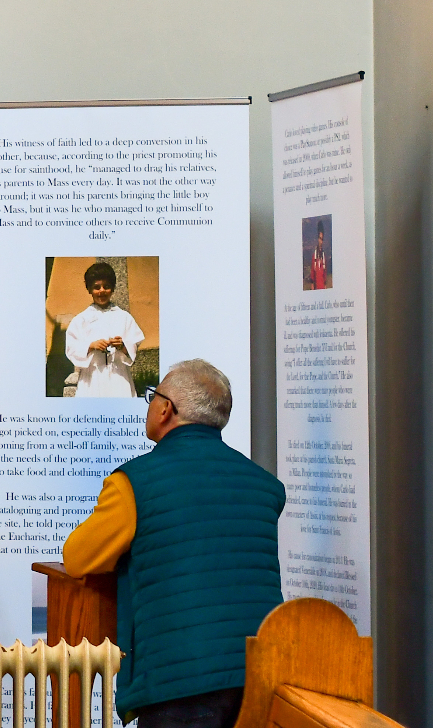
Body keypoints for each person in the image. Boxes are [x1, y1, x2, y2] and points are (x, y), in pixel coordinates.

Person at [62, 360, 286, 728]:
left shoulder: (134, 482)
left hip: (179, 679)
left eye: (153, 397)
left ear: (166, 409)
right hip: (259, 673)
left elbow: (77, 558)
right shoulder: (263, 485)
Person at [64, 262, 146, 397]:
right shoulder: (81, 319)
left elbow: (134, 346)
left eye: (106, 287)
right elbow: (71, 348)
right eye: (96, 287)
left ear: (112, 288)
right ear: (89, 289)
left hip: (118, 377)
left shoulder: (124, 317)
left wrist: (123, 346)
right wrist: (90, 346)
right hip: (92, 379)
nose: (102, 291)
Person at [310, 221, 328, 290]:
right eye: (320, 239)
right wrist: (312, 284)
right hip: (316, 286)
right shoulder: (314, 255)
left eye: (322, 239)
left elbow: (325, 272)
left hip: (322, 286)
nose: (321, 241)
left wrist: (325, 284)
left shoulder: (323, 256)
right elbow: (312, 271)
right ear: (318, 239)